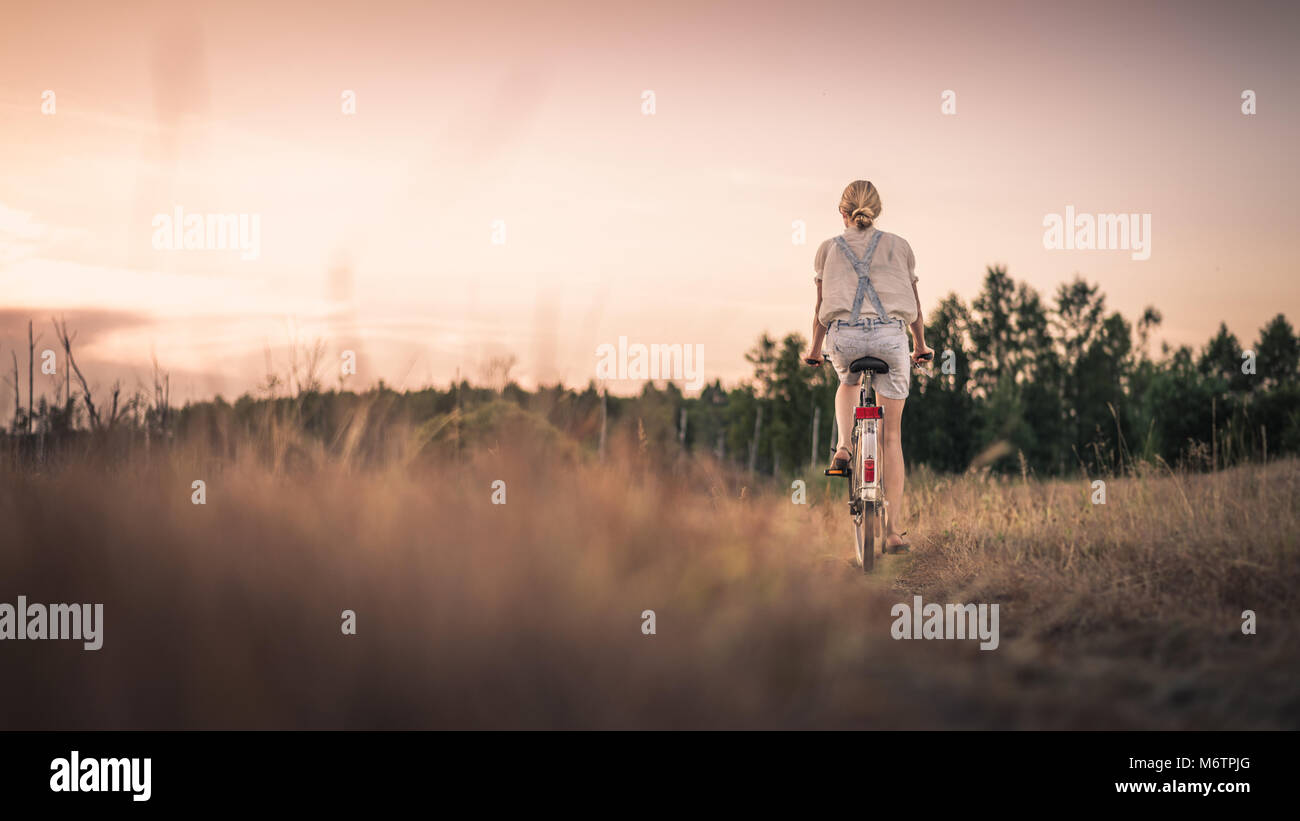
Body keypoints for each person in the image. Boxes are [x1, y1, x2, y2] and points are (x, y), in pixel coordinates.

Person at [803, 180, 932, 553]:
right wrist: (920, 346)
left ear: (842, 213)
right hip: (891, 340)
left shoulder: (828, 249)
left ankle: (843, 447)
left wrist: (814, 350)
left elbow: (821, 310)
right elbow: (916, 309)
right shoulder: (900, 246)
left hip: (845, 338)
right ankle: (892, 531)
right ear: (877, 211)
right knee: (891, 437)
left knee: (847, 382)